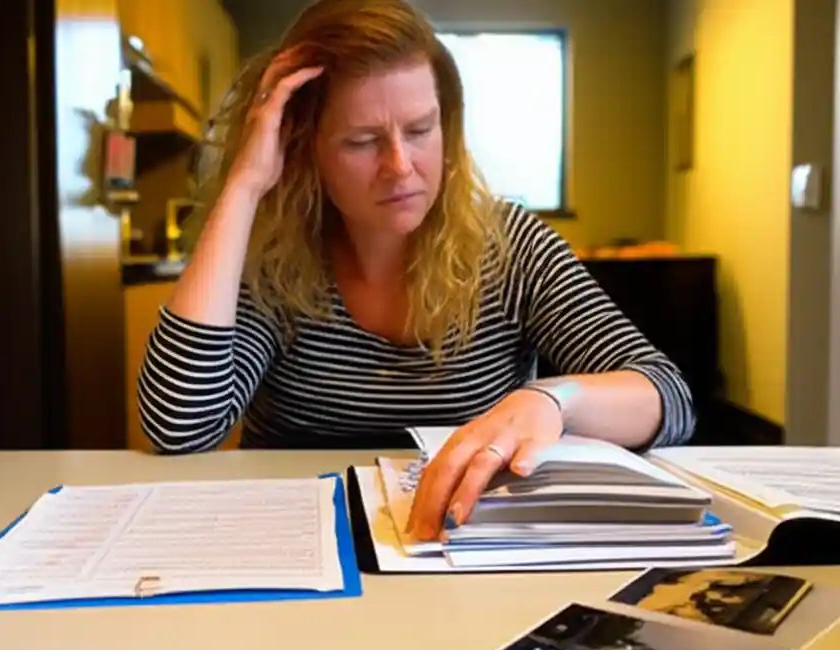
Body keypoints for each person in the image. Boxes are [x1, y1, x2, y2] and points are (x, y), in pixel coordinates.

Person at [136, 0, 696, 540]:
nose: (400, 167)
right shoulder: (277, 259)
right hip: (292, 544)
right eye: (362, 141)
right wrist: (246, 184)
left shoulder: (509, 246)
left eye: (421, 130)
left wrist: (554, 400)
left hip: (459, 547)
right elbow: (179, 428)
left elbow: (668, 397)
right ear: (304, 148)